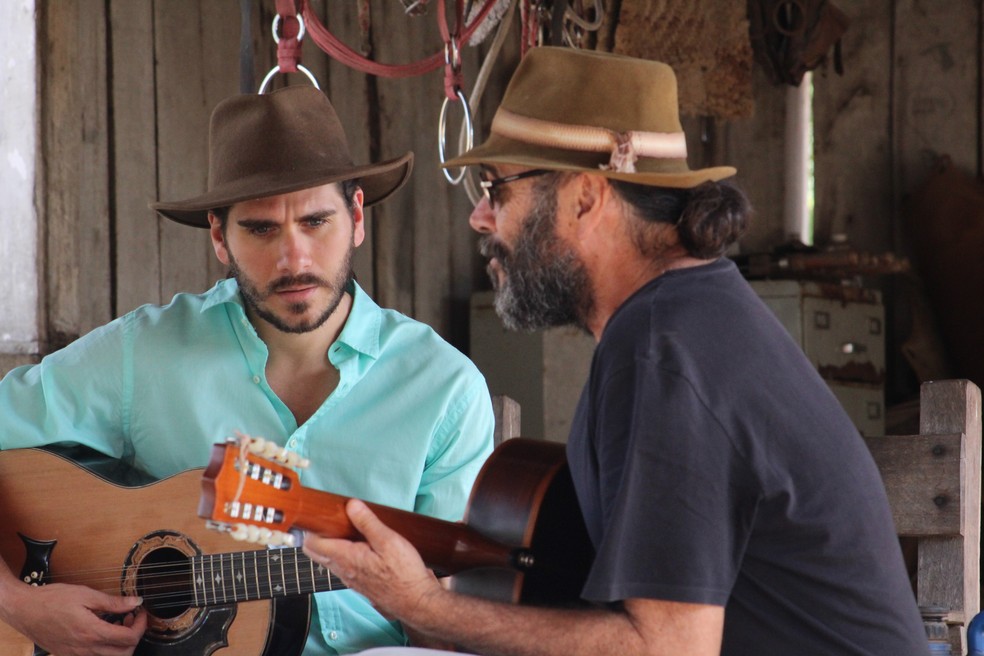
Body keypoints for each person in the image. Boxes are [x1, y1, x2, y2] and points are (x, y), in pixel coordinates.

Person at [301, 47, 930, 655]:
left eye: (496, 188)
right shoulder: (680, 321)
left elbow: (666, 649)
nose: (481, 219)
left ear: (583, 197)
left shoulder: (664, 355)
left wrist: (426, 608)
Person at [0, 86, 495, 656]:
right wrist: (19, 604)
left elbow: (449, 626)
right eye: (261, 229)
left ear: (357, 217)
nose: (295, 259)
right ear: (219, 236)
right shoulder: (145, 354)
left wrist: (421, 604)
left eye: (316, 221)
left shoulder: (443, 389)